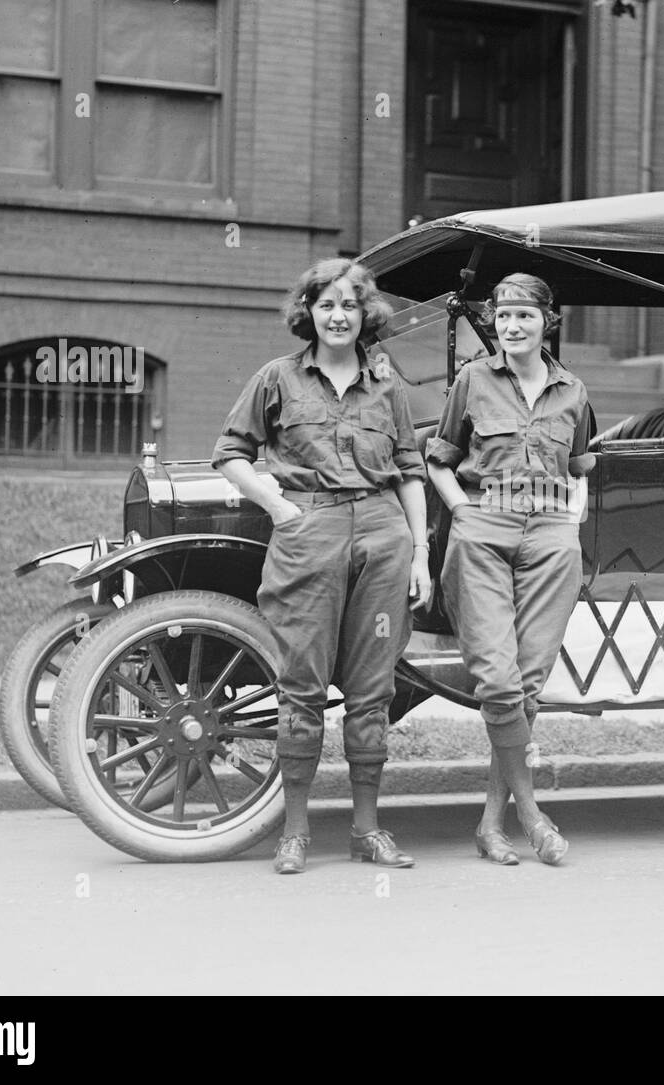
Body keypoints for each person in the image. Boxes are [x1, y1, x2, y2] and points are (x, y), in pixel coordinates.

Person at [212, 258, 432, 875]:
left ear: (366, 317)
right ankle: (297, 832)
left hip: (383, 534)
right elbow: (229, 453)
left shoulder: (388, 386)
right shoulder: (277, 378)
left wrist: (420, 554)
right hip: (308, 533)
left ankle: (367, 830)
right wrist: (278, 507)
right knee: (301, 686)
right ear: (308, 311)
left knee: (372, 690)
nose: (338, 316)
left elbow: (411, 471)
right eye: (326, 304)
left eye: (350, 306)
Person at [426, 273, 595, 865]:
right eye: (502, 316)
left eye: (524, 315)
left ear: (548, 321)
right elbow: (440, 460)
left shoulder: (573, 390)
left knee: (525, 689)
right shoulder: (472, 380)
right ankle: (532, 815)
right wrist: (462, 513)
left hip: (551, 539)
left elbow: (579, 467)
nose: (512, 326)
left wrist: (570, 523)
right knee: (496, 681)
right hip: (484, 533)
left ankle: (489, 826)